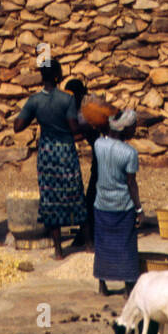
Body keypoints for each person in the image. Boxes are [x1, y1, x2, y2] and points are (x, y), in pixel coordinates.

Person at [13, 55, 86, 259]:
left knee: (50, 198)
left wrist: (35, 115)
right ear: (57, 76)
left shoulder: (34, 101)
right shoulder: (67, 99)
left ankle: (58, 250)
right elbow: (73, 128)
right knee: (75, 193)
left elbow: (17, 127)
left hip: (47, 153)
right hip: (65, 151)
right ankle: (88, 244)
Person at [93, 109, 141, 296]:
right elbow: (131, 183)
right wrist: (139, 209)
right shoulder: (130, 153)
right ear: (125, 129)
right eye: (133, 127)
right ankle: (129, 287)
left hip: (102, 203)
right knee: (126, 245)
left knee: (103, 244)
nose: (134, 131)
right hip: (123, 206)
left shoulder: (98, 145)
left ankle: (102, 284)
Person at [65, 78, 99, 248]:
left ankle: (87, 236)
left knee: (93, 194)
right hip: (99, 154)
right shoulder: (80, 107)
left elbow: (80, 131)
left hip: (104, 154)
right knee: (94, 193)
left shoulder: (88, 109)